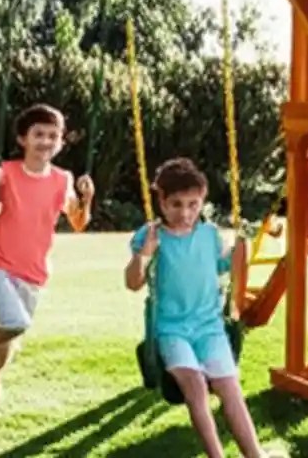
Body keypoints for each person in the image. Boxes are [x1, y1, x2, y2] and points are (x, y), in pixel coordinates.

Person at [124, 158, 268, 458]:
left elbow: (231, 266)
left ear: (202, 201)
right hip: (171, 330)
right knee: (196, 386)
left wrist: (241, 245)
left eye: (193, 204)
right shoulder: (151, 236)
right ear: (160, 200)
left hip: (210, 328)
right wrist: (144, 254)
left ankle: (255, 454)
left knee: (231, 390)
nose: (186, 213)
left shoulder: (209, 235)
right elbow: (133, 282)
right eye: (176, 204)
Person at [0, 103, 95, 403]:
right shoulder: (6, 173)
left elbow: (78, 223)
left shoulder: (62, 179)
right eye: (39, 134)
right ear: (23, 139)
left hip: (34, 271)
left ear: (61, 141)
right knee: (16, 321)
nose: (46, 141)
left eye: (53, 136)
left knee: (10, 343)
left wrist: (87, 199)